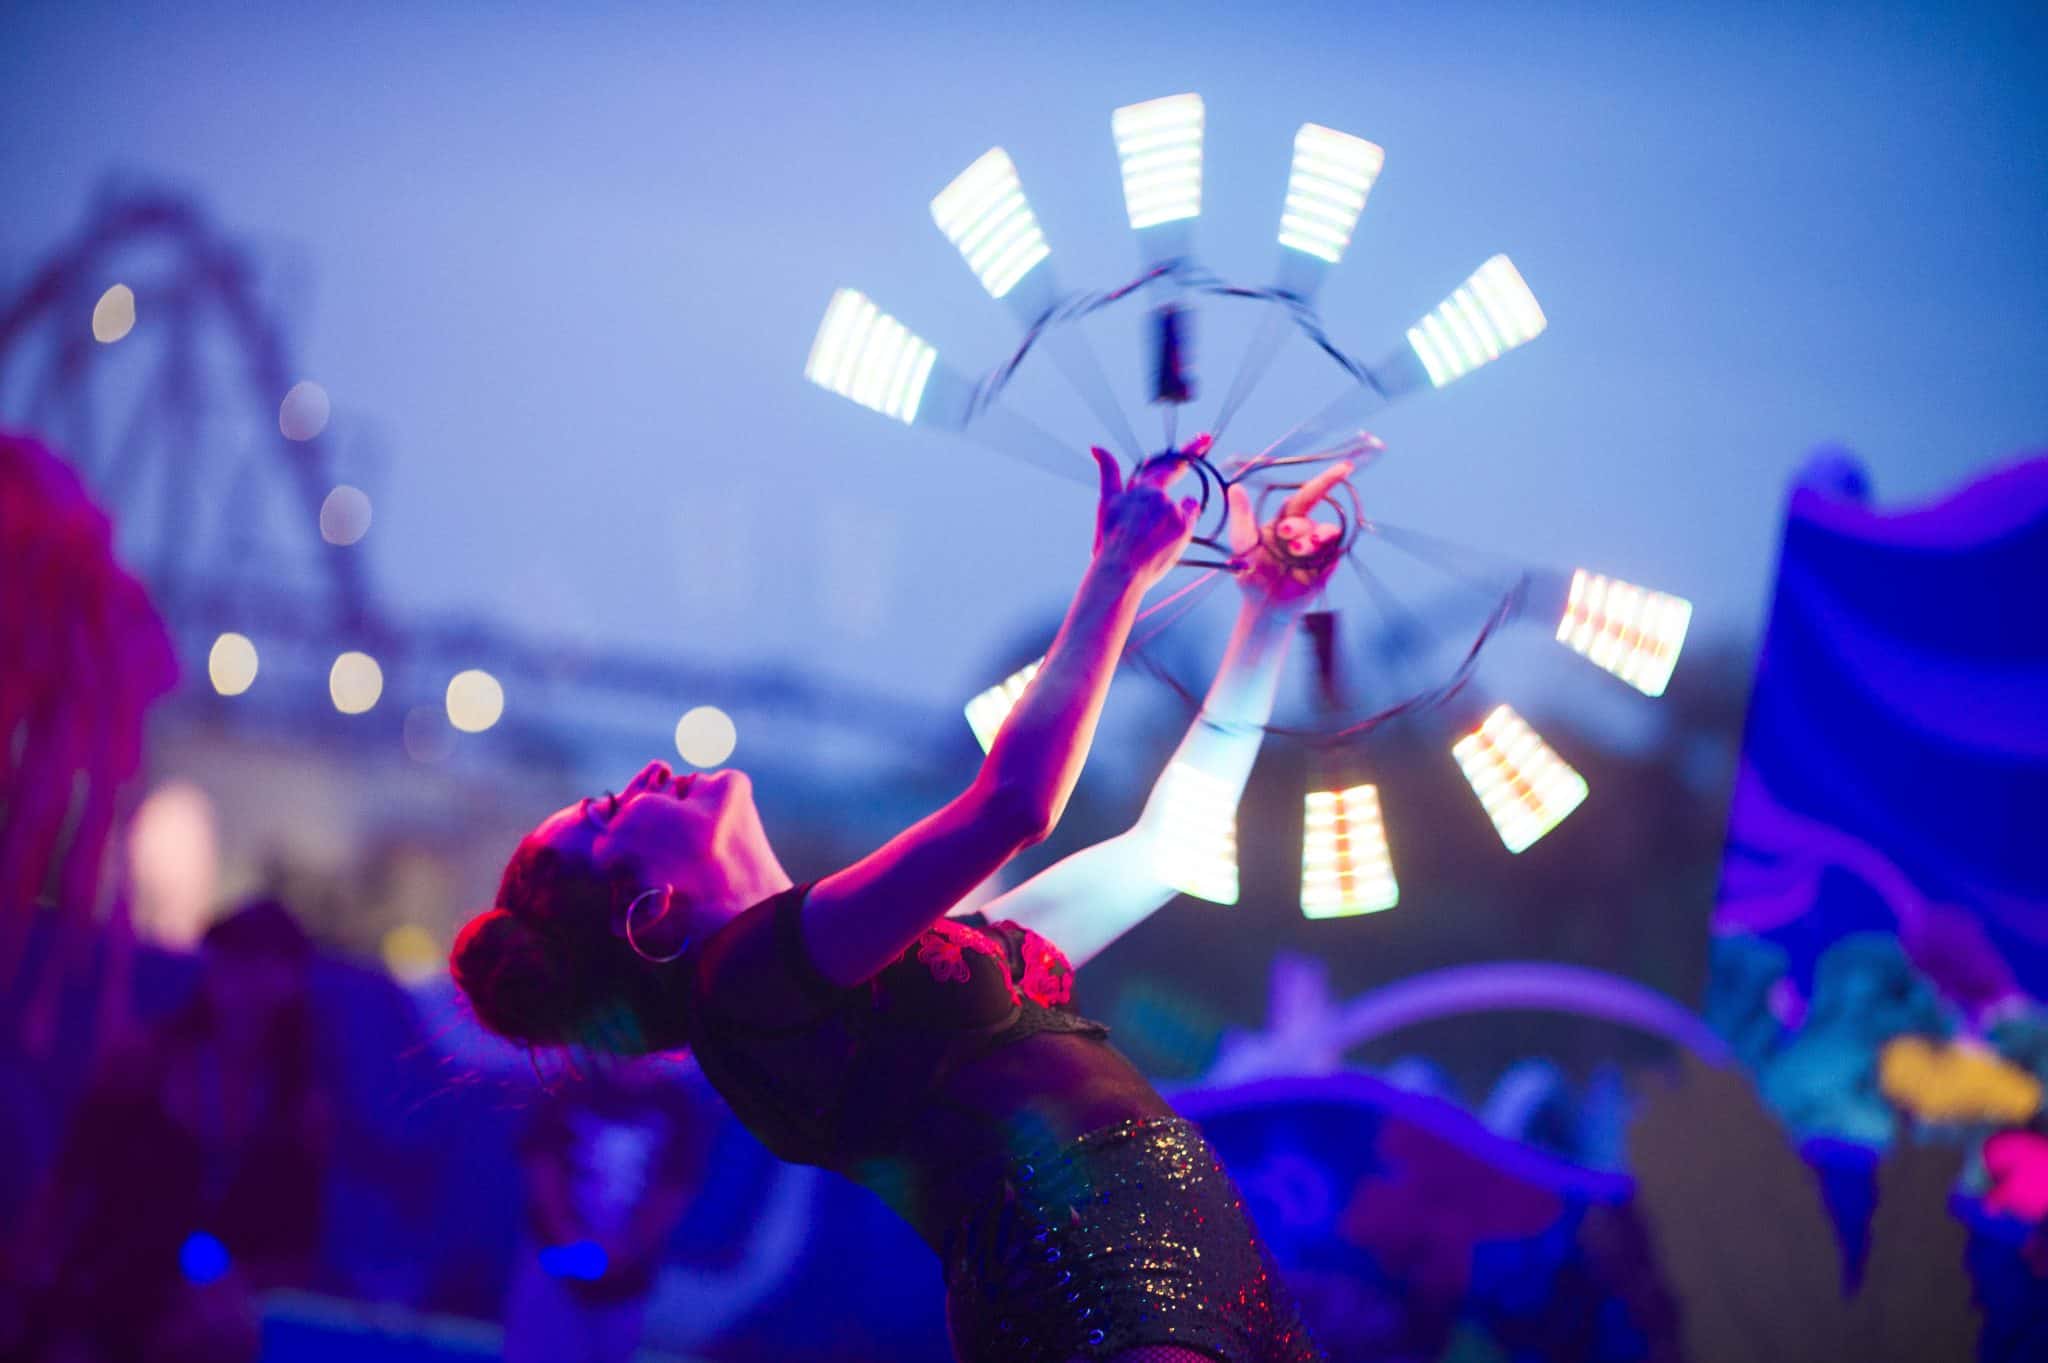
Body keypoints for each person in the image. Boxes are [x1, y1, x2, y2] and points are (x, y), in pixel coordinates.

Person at [451, 442, 1352, 1363]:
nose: (645, 772)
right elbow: (1015, 803)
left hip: (1188, 1272)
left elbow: (1167, 850)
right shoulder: (743, 987)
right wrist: (1119, 567)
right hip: (1100, 1288)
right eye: (610, 811)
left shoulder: (896, 976)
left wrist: (1266, 616)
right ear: (649, 912)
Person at [505, 1062, 710, 1363]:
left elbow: (676, 1187)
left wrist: (632, 1244)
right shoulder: (570, 1086)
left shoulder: (678, 1104)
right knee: (536, 1346)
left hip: (626, 1275)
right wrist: (566, 1232)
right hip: (552, 1258)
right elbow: (542, 1162)